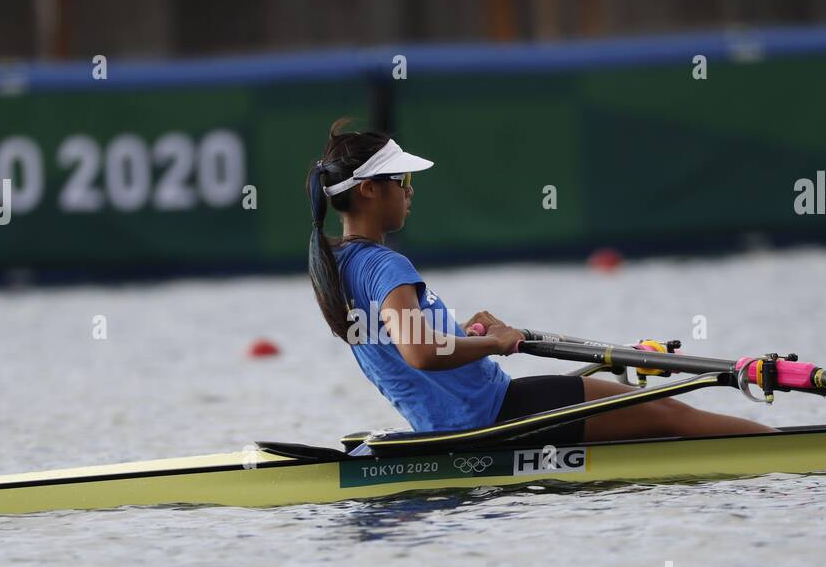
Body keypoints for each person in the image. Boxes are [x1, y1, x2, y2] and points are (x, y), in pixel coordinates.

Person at [306, 118, 773, 444]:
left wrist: (461, 334)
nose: (410, 190)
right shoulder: (386, 267)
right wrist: (497, 343)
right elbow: (421, 353)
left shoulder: (340, 265)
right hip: (496, 416)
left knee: (651, 413)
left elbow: (410, 345)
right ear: (368, 189)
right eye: (402, 178)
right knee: (671, 413)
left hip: (455, 424)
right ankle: (794, 457)